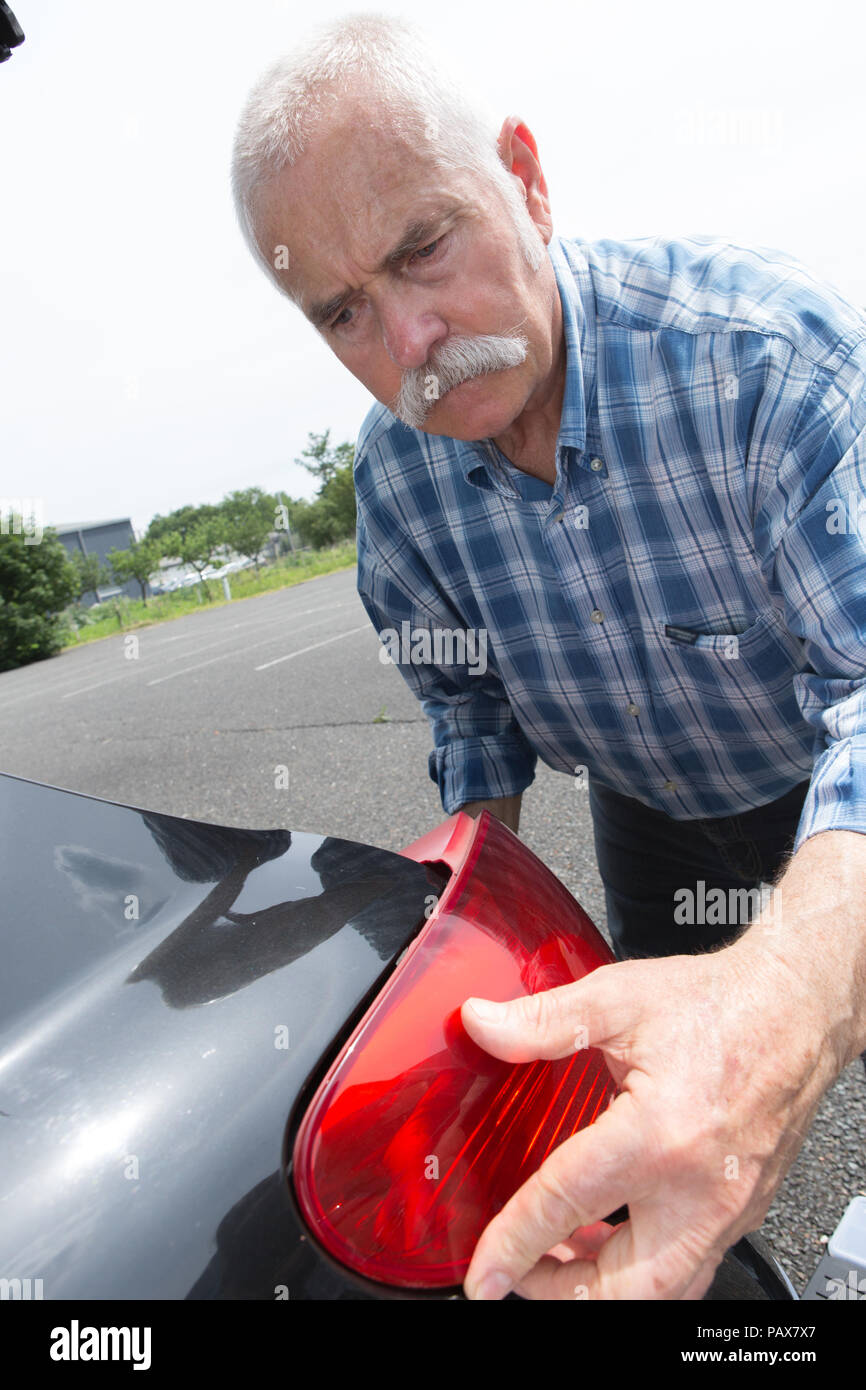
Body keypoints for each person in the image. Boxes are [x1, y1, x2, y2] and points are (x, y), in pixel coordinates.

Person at [231, 13, 866, 1299]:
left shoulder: (763, 363)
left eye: (421, 247)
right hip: (651, 808)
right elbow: (464, 705)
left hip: (821, 771)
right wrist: (457, 919)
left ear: (523, 176)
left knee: (795, 1027)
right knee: (646, 1088)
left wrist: (797, 994)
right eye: (343, 310)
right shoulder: (397, 486)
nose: (409, 341)